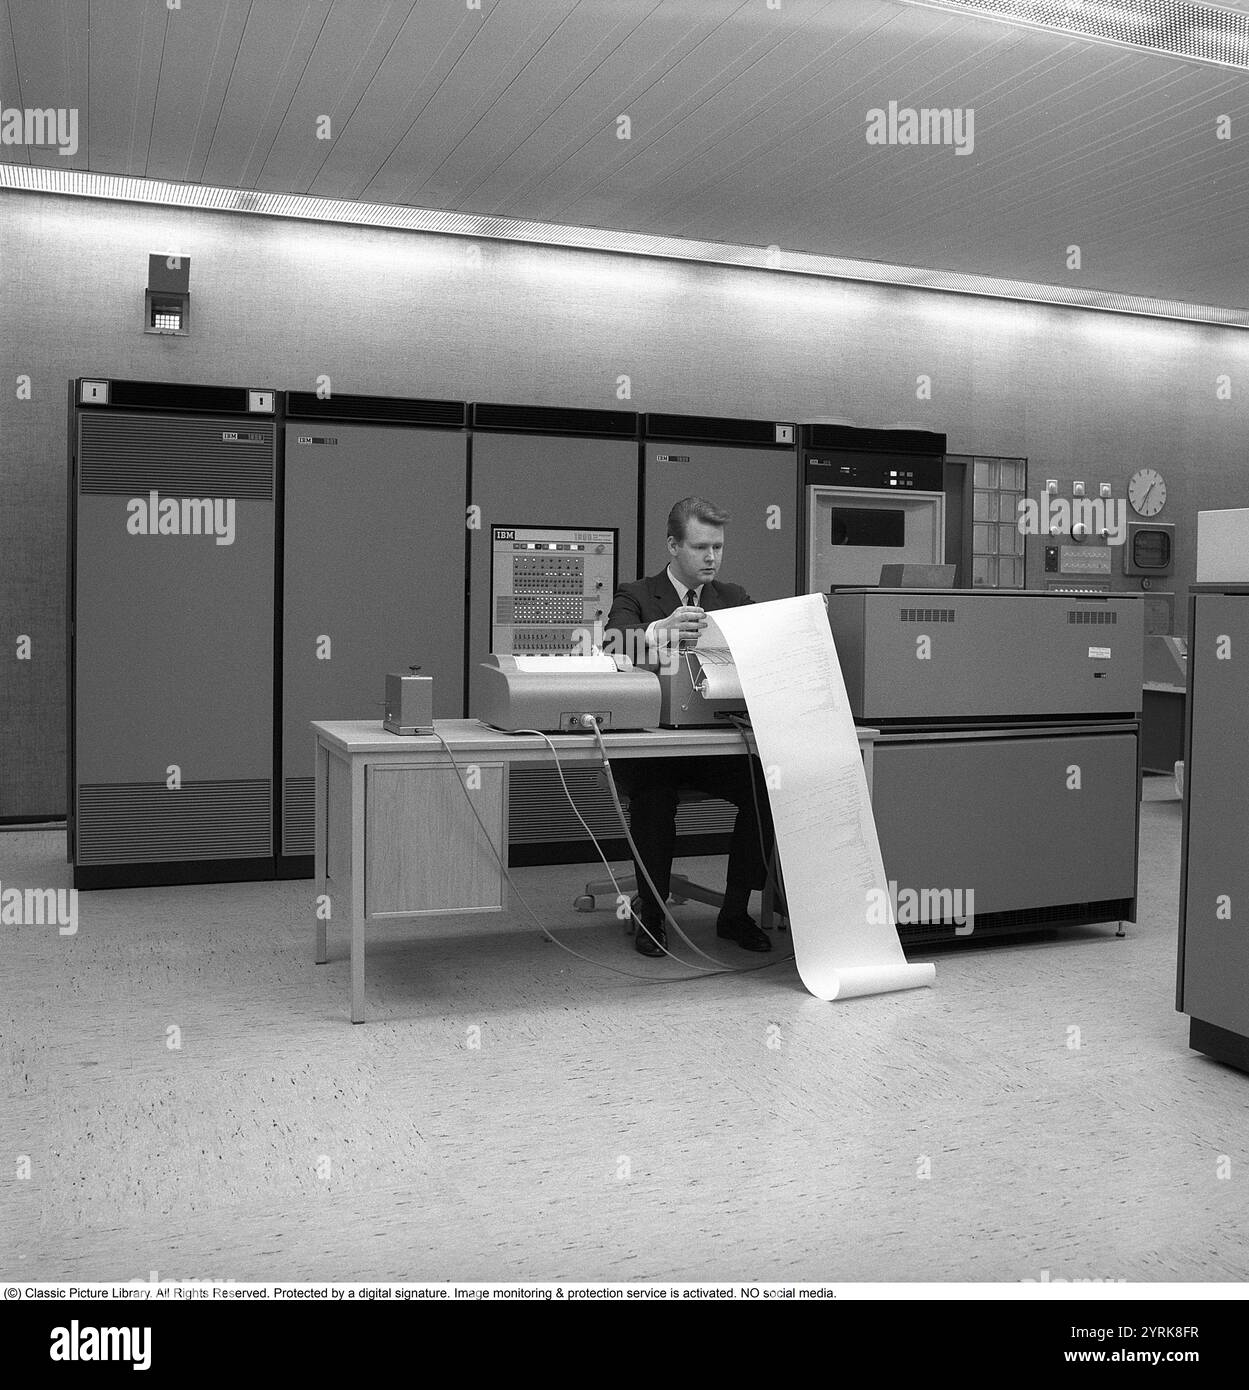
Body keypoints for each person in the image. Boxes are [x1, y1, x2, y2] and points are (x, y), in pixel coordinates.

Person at [603, 497, 775, 956]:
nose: (711, 558)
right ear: (672, 546)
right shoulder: (637, 594)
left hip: (712, 747)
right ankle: (653, 917)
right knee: (655, 799)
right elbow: (613, 646)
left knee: (765, 788)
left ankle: (735, 913)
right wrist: (661, 629)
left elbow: (766, 646)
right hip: (651, 750)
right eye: (701, 547)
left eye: (718, 547)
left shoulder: (733, 597)